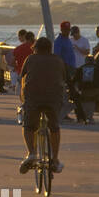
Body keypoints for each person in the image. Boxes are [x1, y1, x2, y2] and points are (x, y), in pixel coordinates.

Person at [19, 37, 67, 175]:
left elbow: (23, 77)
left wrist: (22, 97)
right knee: (54, 127)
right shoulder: (58, 60)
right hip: (53, 99)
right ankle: (55, 159)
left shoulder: (30, 59)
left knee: (28, 126)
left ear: (35, 48)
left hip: (33, 98)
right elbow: (63, 79)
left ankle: (31, 153)